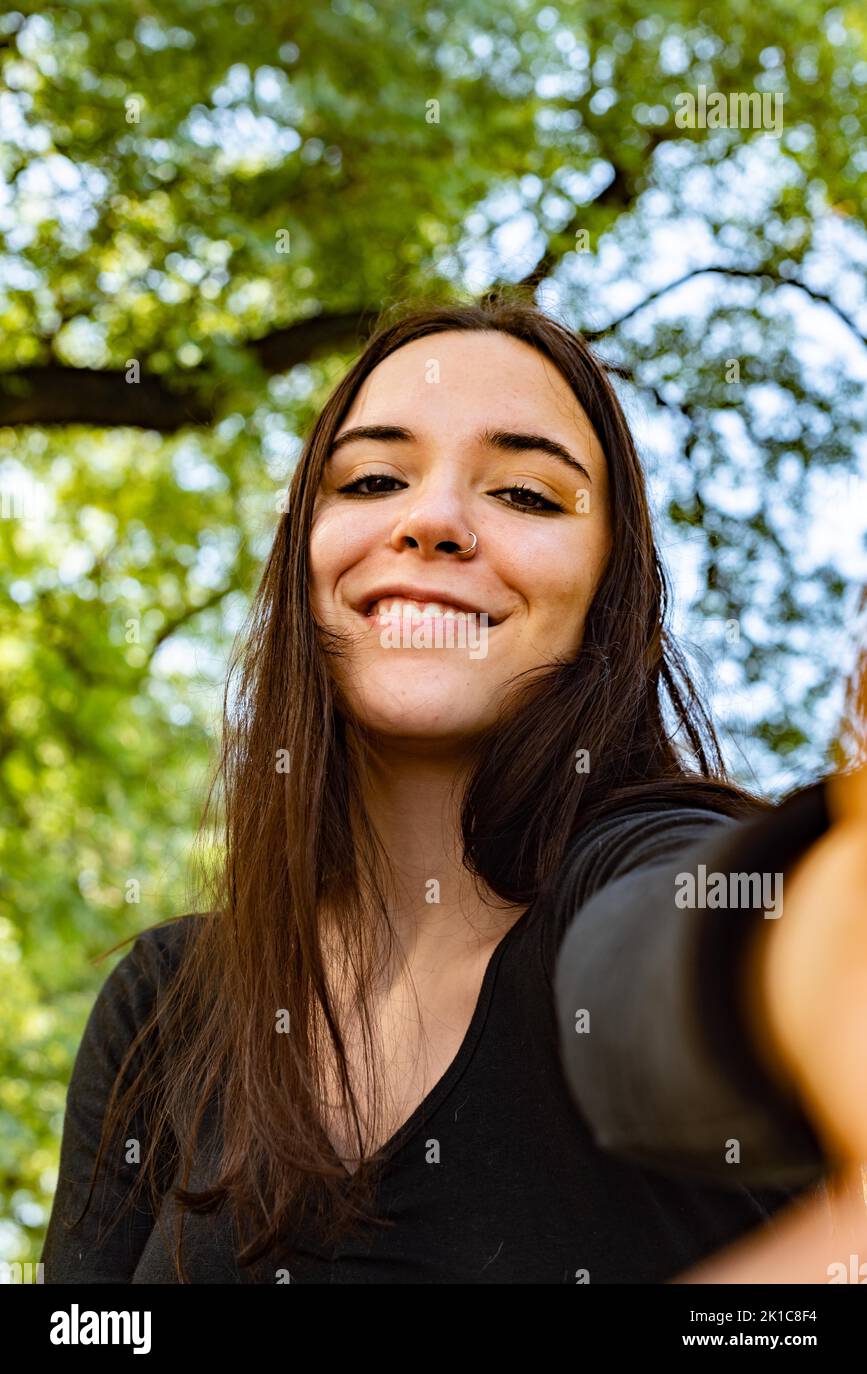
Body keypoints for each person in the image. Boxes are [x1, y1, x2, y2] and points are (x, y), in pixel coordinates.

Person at [41, 294, 862, 1284]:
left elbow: (734, 944)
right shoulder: (167, 1003)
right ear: (305, 560)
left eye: (524, 494)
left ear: (608, 588)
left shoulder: (632, 882)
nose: (431, 520)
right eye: (376, 478)